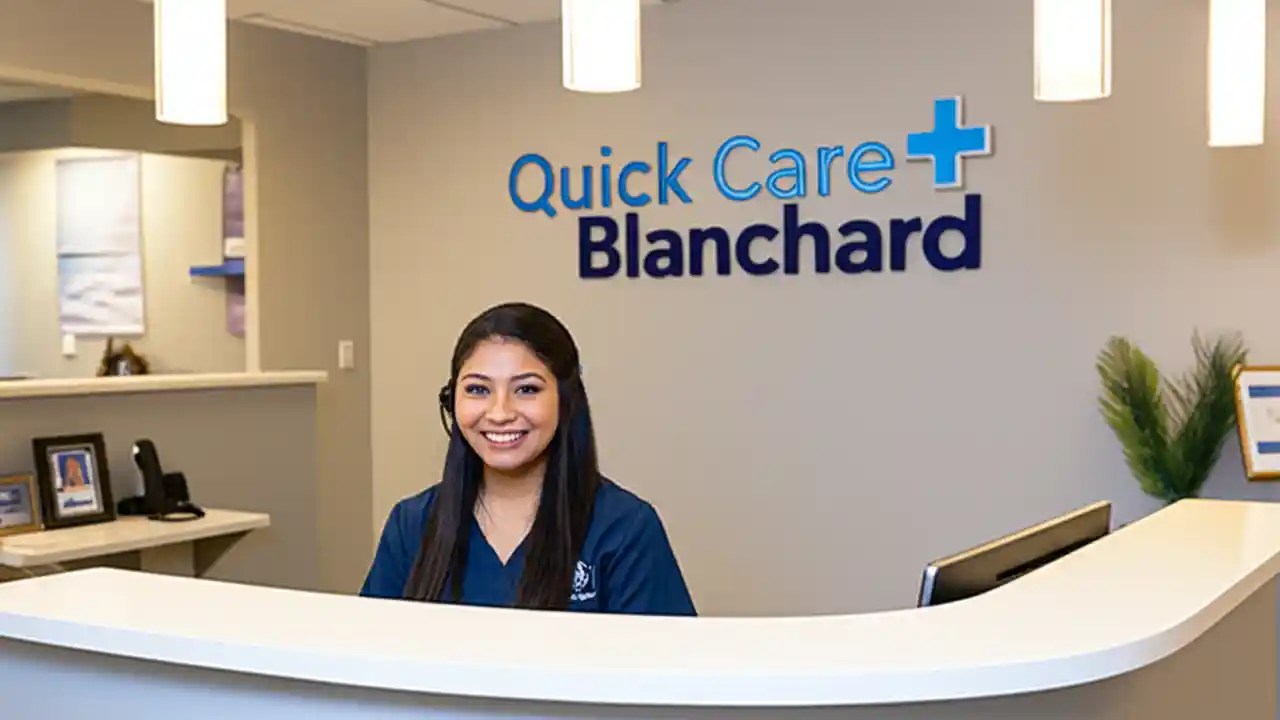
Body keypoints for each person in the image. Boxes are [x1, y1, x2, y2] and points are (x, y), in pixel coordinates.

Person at [361, 302, 696, 616]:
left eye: (527, 389)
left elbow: (666, 669)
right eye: (478, 389)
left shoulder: (624, 528)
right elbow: (368, 658)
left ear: (566, 400)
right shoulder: (412, 525)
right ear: (452, 401)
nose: (500, 412)